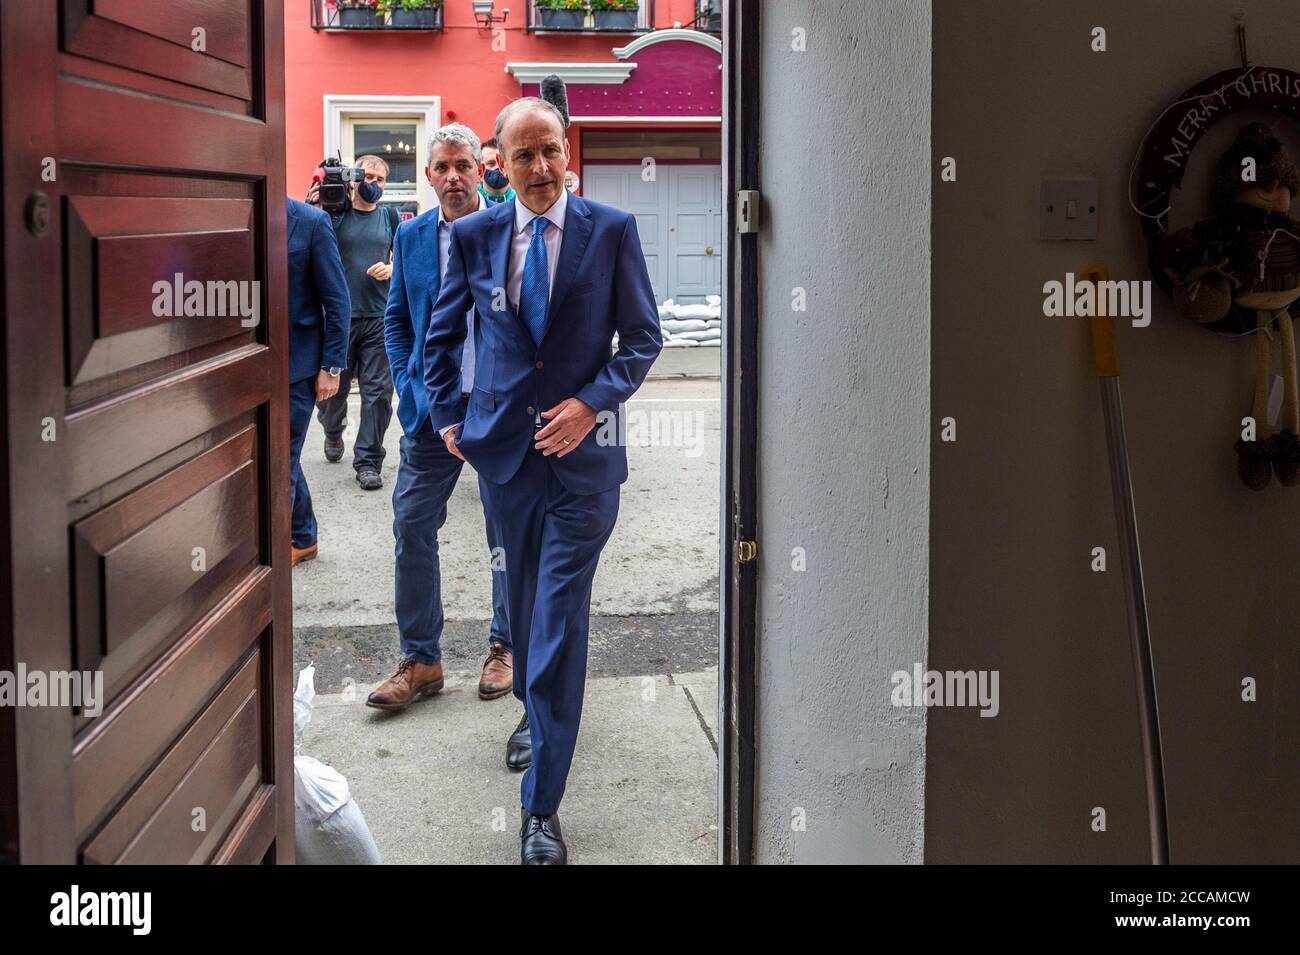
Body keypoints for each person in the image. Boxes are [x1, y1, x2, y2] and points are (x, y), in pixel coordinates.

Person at [423, 97, 662, 864]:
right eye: (522, 155)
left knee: (558, 615)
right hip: (503, 458)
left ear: (568, 150)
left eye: (550, 150)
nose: (539, 168)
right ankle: (536, 706)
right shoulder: (473, 235)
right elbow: (443, 329)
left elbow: (643, 337)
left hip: (584, 468)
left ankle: (542, 810)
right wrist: (448, 416)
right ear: (499, 161)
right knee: (523, 608)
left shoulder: (611, 231)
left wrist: (592, 405)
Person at [367, 123, 514, 712]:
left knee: (505, 532)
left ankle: (505, 646)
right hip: (433, 414)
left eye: (464, 166)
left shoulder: (508, 229)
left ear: (481, 171)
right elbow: (398, 320)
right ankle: (421, 658)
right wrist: (410, 389)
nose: (453, 177)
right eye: (442, 168)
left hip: (500, 408)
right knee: (411, 525)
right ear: (427, 176)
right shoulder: (412, 236)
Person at [310, 155, 398, 490]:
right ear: (353, 178)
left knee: (378, 393)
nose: (374, 183)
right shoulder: (335, 216)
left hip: (379, 317)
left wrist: (392, 270)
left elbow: (403, 259)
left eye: (381, 178)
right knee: (334, 392)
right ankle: (333, 430)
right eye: (368, 175)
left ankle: (368, 461)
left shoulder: (390, 218)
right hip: (338, 320)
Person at [286, 197, 351, 565]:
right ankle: (304, 535)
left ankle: (275, 551)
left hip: (299, 364)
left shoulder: (312, 221)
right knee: (282, 455)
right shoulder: (237, 209)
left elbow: (337, 299)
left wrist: (332, 365)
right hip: (249, 361)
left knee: (281, 455)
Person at [478, 137, 516, 206]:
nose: (498, 167)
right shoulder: (472, 202)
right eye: (491, 163)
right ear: (480, 169)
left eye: (502, 163)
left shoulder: (520, 202)